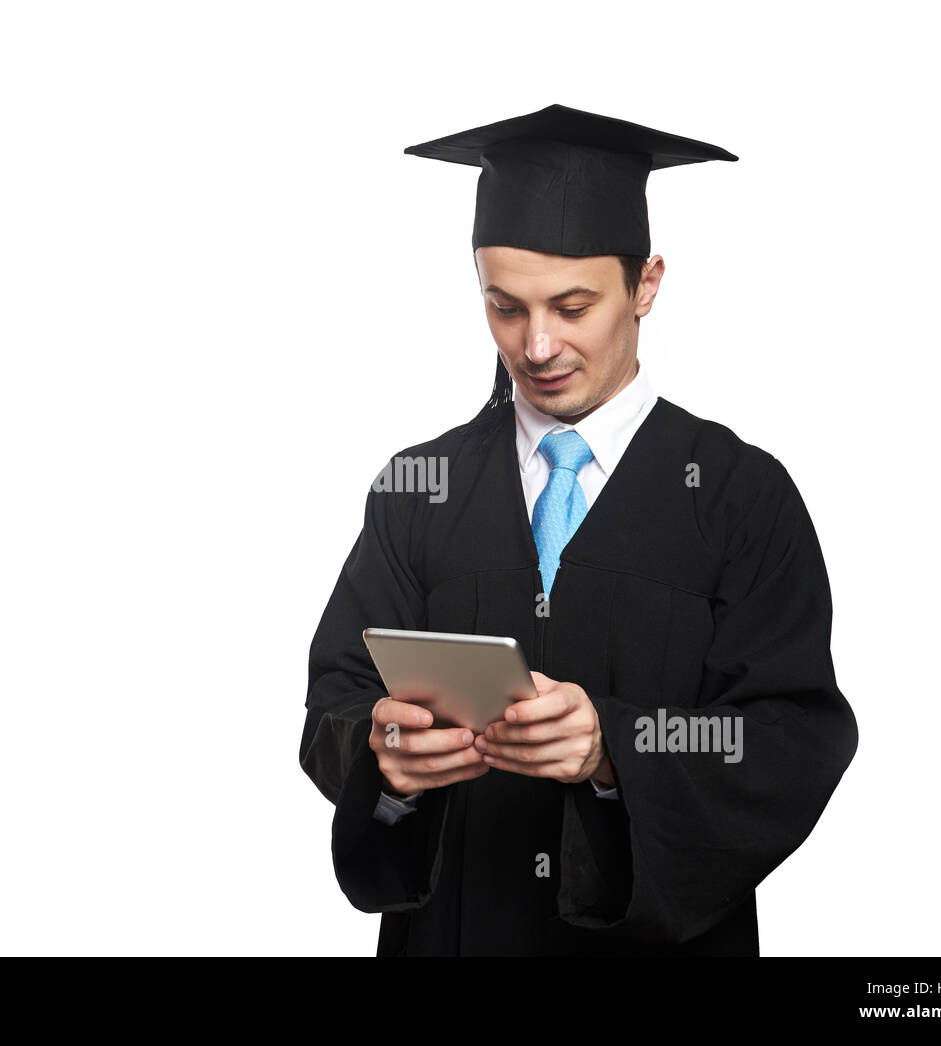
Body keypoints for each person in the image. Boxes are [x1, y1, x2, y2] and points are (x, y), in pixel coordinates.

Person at [299, 103, 858, 956]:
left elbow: (792, 738)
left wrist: (617, 749)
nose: (537, 345)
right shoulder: (421, 489)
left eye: (572, 305)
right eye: (505, 307)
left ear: (646, 284)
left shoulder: (741, 497)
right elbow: (333, 707)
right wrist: (386, 761)